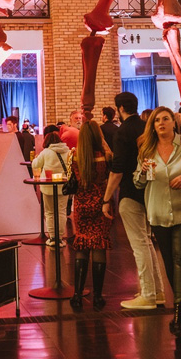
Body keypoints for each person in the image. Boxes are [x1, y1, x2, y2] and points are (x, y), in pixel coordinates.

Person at [133, 106, 181, 335]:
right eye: (157, 121)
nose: (161, 123)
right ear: (152, 126)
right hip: (157, 212)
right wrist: (142, 171)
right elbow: (138, 183)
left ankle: (179, 311)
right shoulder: (147, 148)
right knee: (169, 261)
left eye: (166, 119)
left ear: (174, 122)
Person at [102, 90, 166, 310]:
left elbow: (117, 170)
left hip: (130, 191)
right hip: (150, 191)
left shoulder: (123, 133)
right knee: (147, 242)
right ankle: (156, 291)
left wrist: (106, 198)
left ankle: (148, 295)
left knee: (139, 244)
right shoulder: (146, 128)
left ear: (120, 109)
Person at [68, 120, 111, 312]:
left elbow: (73, 181)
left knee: (82, 245)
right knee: (99, 246)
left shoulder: (76, 156)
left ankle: (77, 295)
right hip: (101, 204)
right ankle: (98, 297)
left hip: (81, 205)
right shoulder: (104, 156)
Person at [31, 125, 72, 248]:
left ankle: (53, 238)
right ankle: (60, 238)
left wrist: (37, 158)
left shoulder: (46, 152)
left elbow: (35, 165)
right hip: (64, 186)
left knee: (49, 212)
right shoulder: (68, 151)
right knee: (61, 212)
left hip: (48, 187)